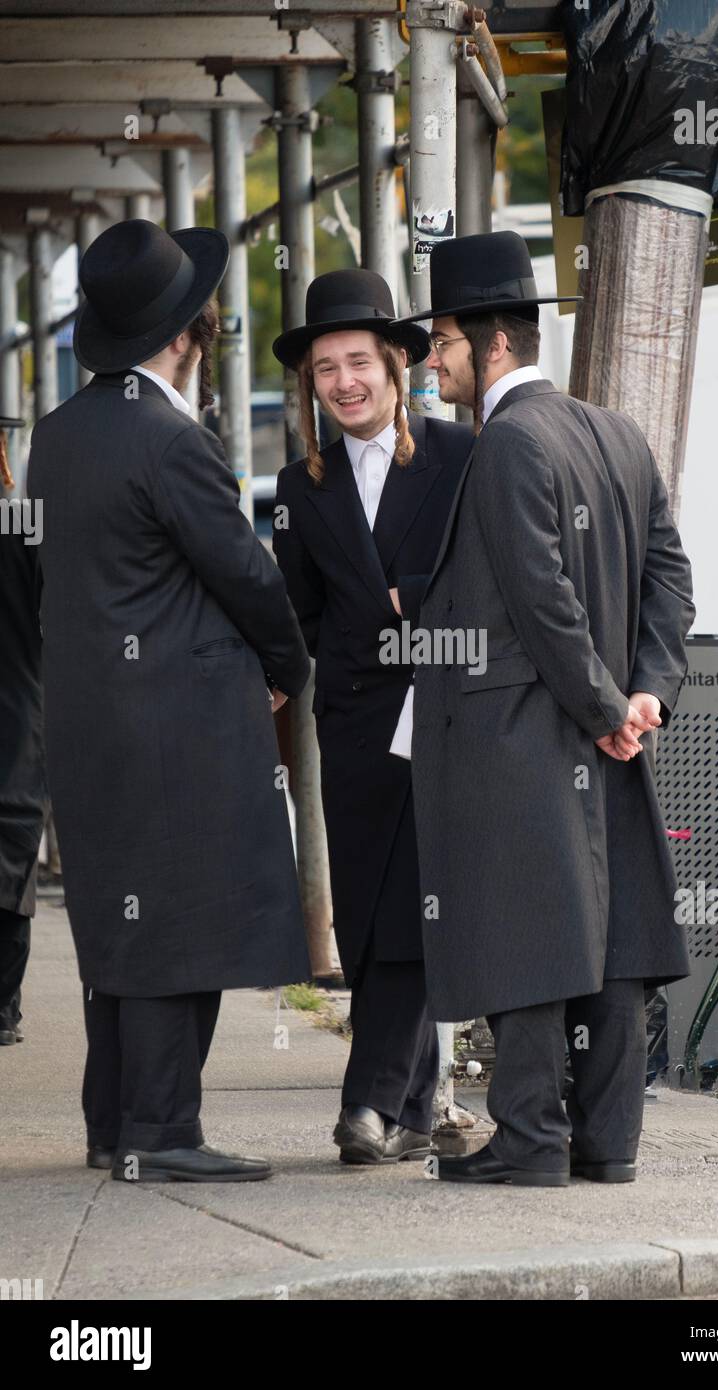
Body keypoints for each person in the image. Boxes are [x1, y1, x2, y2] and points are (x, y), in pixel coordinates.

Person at [400, 231, 695, 1186]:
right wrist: (645, 693)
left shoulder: (510, 443)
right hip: (602, 736)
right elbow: (670, 583)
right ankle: (607, 1145)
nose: (427, 364)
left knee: (527, 928)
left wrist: (610, 703)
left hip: (529, 734)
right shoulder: (616, 433)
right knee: (608, 941)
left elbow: (540, 597)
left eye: (438, 342)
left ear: (489, 342)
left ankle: (528, 1140)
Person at [27, 219, 311, 1184]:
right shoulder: (170, 441)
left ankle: (114, 1125)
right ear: (188, 333)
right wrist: (287, 663)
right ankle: (161, 1131)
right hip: (180, 725)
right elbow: (245, 572)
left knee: (121, 921)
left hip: (88, 722)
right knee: (183, 924)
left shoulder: (56, 441)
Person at [272, 269, 473, 1164]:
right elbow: (300, 612)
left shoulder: (460, 457)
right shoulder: (297, 488)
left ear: (397, 365)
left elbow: (490, 576)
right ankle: (417, 1112)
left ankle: (365, 1103)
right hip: (352, 727)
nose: (344, 382)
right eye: (325, 369)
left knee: (413, 905)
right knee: (368, 915)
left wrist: (415, 598)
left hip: (440, 715)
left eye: (358, 361)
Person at [0, 415, 46, 1047]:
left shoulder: (19, 525)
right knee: (11, 853)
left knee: (11, 851)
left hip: (17, 715)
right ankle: (3, 1005)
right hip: (18, 717)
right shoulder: (20, 524)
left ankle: (4, 1004)